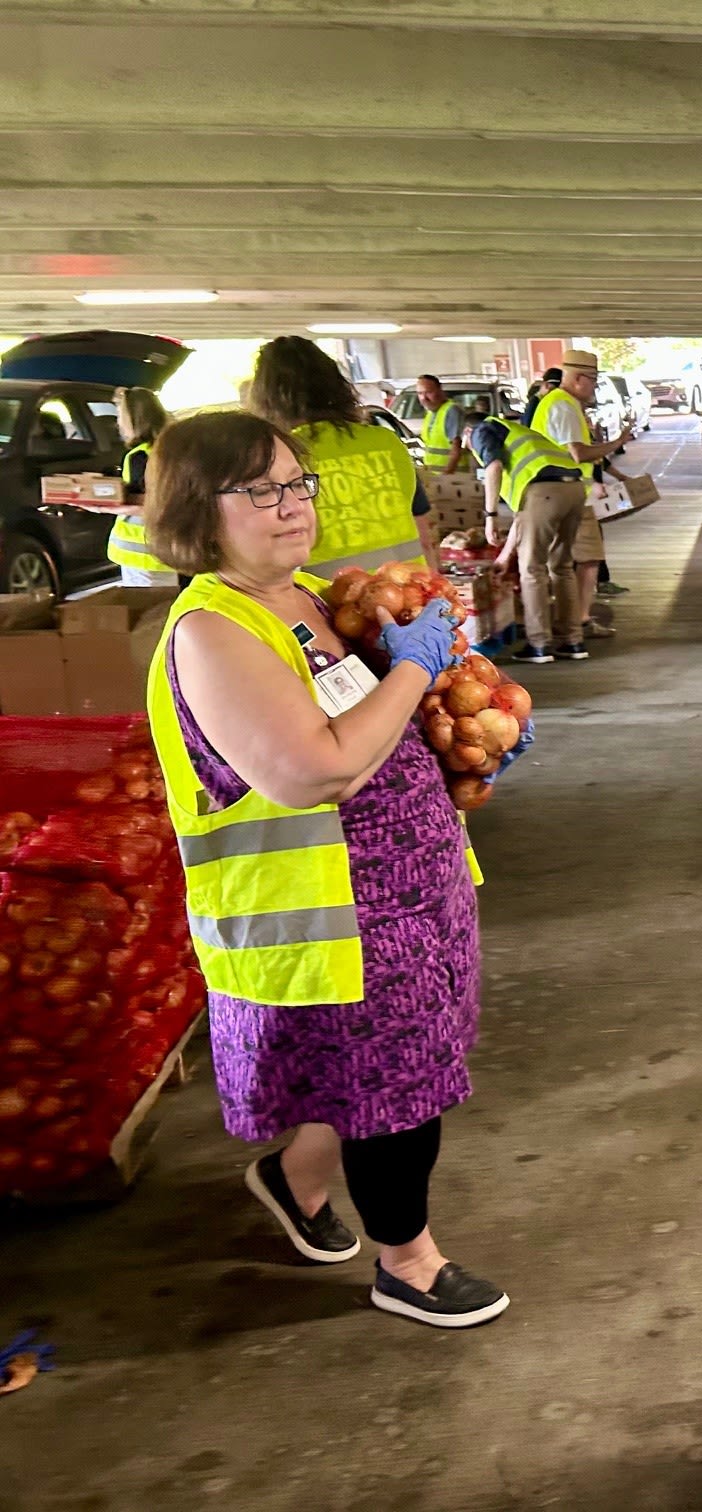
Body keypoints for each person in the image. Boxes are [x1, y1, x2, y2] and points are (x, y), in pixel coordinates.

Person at [140, 409, 509, 1327]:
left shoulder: (303, 597)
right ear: (195, 507)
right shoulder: (214, 633)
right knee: (396, 1094)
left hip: (407, 892)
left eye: (295, 483)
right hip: (333, 914)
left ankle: (294, 1178)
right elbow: (316, 768)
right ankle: (408, 1264)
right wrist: (411, 675)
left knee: (378, 1074)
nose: (289, 506)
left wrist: (472, 737)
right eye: (258, 490)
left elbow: (380, 727)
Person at [245, 336, 439, 577]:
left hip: (330, 600)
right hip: (407, 593)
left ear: (266, 397)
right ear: (336, 385)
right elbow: (422, 528)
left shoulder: (282, 455)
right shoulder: (386, 442)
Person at [464, 412, 589, 665]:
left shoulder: (482, 430)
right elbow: (524, 516)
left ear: (467, 431)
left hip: (543, 493)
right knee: (562, 567)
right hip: (574, 489)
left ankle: (539, 644)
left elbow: (494, 467)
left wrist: (490, 516)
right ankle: (573, 641)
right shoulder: (516, 433)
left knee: (532, 570)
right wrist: (505, 554)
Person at [531, 348, 633, 649]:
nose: (594, 387)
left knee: (574, 562)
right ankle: (569, 628)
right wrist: (616, 443)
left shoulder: (560, 404)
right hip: (564, 494)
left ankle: (574, 624)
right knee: (577, 562)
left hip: (562, 493)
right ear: (578, 379)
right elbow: (577, 453)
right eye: (593, 380)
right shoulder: (563, 406)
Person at [108, 387, 176, 586]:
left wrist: (106, 505)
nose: (118, 422)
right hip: (165, 547)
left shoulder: (139, 456)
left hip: (141, 554)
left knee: (149, 611)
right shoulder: (168, 449)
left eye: (120, 415)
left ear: (133, 419)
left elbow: (146, 502)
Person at [414, 374, 466, 475]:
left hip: (453, 480)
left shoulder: (452, 411)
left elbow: (456, 449)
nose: (424, 398)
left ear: (440, 390)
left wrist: (446, 476)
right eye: (420, 393)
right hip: (434, 478)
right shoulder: (431, 413)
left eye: (428, 392)